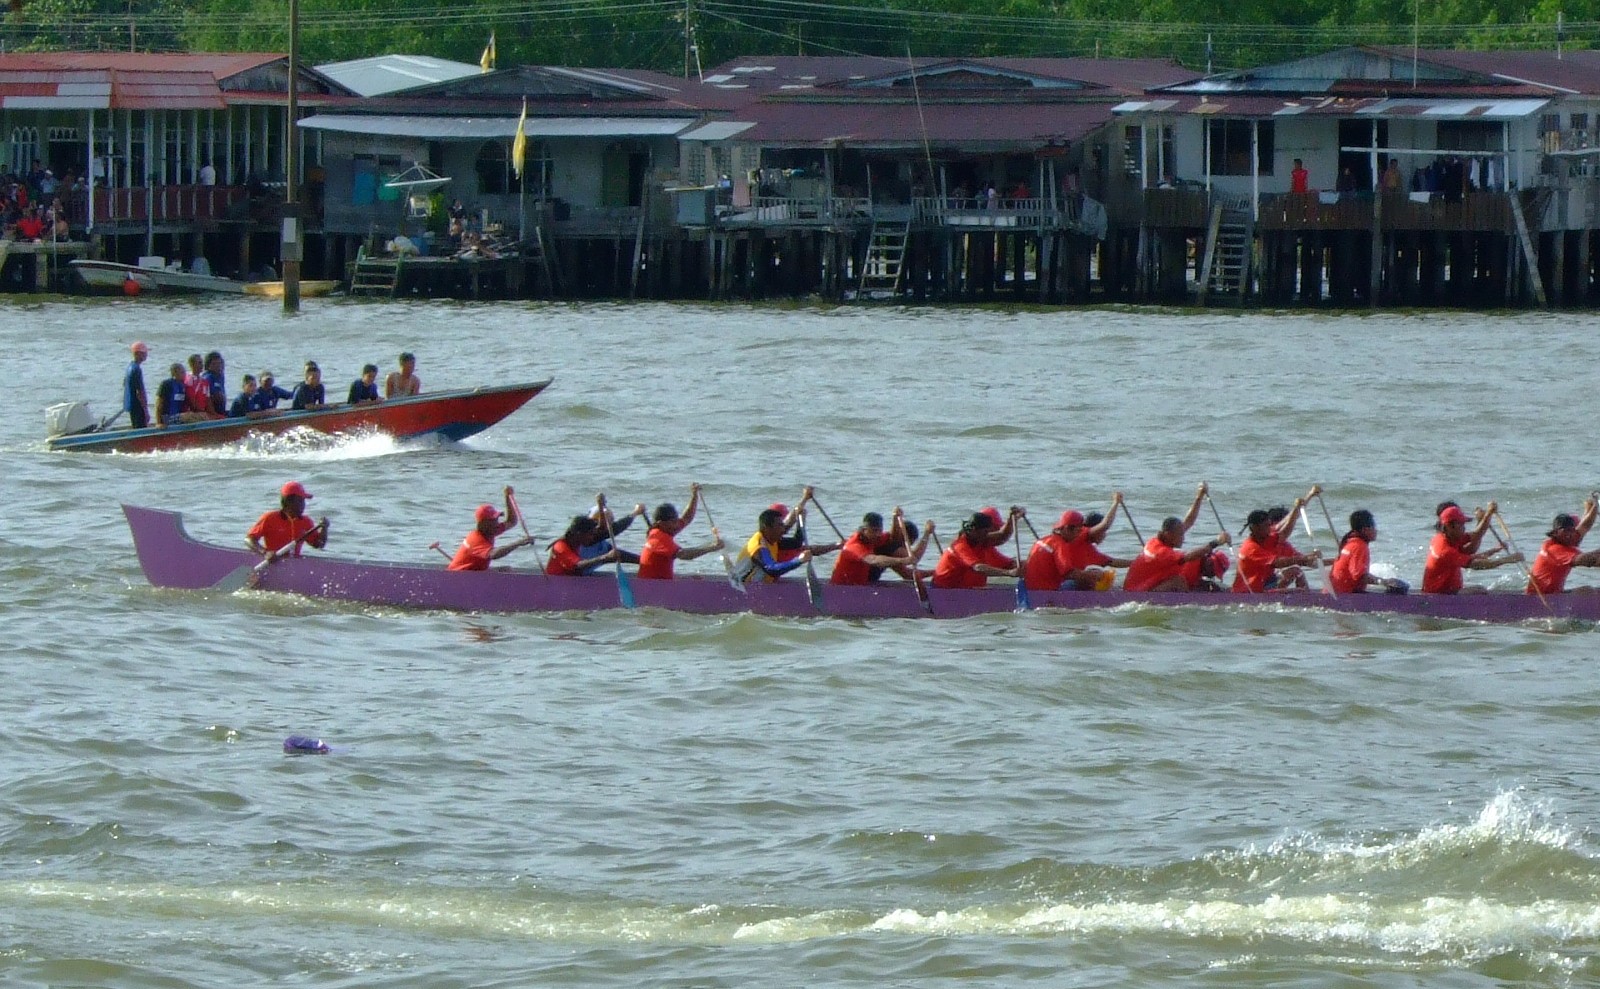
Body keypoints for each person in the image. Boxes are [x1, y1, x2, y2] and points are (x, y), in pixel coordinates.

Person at [1422, 503, 1520, 594]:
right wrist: (1508, 560)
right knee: (1481, 590)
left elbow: (1475, 537)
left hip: (1446, 591)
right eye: (1461, 524)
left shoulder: (1446, 538)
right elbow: (1477, 565)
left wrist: (1486, 516)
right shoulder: (1445, 550)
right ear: (1449, 527)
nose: (1464, 528)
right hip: (1440, 596)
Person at [1233, 496, 1320, 593]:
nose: (1270, 529)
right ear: (1254, 528)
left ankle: (1307, 596)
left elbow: (1285, 532)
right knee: (1298, 591)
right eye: (1266, 526)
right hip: (1250, 592)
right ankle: (1306, 598)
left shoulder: (1264, 538)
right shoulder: (1250, 548)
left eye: (1270, 525)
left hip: (1265, 583)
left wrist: (1296, 508)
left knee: (1296, 571)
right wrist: (1304, 558)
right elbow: (1277, 563)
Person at [1124, 514, 1231, 592]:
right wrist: (1217, 542)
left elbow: (1187, 523)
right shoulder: (1164, 553)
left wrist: (1199, 497)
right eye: (1181, 535)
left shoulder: (1154, 542)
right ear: (1168, 534)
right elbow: (1188, 556)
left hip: (1133, 586)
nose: (1183, 538)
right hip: (1136, 593)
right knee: (1179, 581)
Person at [637, 485, 725, 579]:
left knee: (696, 578)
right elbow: (683, 555)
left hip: (660, 582)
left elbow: (687, 518)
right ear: (661, 523)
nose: (676, 525)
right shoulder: (658, 538)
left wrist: (694, 495)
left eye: (676, 521)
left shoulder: (664, 529)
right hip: (653, 587)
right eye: (673, 522)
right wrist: (712, 548)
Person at [932, 509, 1022, 589]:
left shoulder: (979, 539)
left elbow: (1001, 536)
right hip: (944, 591)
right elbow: (978, 567)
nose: (987, 535)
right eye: (985, 532)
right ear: (974, 530)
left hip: (967, 590)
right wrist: (1008, 573)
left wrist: (1011, 519)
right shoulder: (960, 546)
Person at [447, 488, 533, 571]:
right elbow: (494, 554)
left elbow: (511, 521)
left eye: (496, 519)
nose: (497, 523)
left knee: (506, 570)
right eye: (493, 520)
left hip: (474, 573)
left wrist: (507, 497)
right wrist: (518, 543)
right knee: (505, 572)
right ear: (483, 524)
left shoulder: (490, 530)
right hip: (460, 577)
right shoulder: (475, 539)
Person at [1528, 499, 1600, 595]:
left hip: (1553, 594)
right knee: (1588, 591)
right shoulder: (1554, 549)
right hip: (1541, 598)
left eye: (1571, 530)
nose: (1570, 534)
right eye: (1565, 531)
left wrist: (1595, 507)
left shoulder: (1565, 539)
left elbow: (1585, 526)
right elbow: (1589, 560)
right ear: (1555, 532)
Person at [832, 511, 922, 586]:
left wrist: (895, 518)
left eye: (880, 530)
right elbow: (873, 560)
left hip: (860, 586)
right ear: (864, 530)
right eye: (874, 530)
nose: (878, 534)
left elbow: (892, 539)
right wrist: (902, 560)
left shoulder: (872, 539)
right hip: (842, 588)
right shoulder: (854, 546)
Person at [1329, 509, 1406, 593]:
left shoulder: (1349, 543)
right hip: (1346, 596)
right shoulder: (1359, 546)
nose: (1376, 530)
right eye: (1373, 526)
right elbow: (1360, 576)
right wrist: (1383, 582)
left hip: (1336, 593)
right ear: (1364, 530)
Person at [246, 481, 327, 557]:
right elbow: (249, 540)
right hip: (272, 564)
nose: (303, 505)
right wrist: (265, 553)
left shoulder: (306, 521)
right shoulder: (269, 518)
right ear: (288, 502)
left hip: (293, 566)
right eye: (301, 501)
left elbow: (318, 544)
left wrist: (324, 528)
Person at [735, 507, 815, 583]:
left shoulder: (772, 540)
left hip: (758, 587)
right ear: (766, 528)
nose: (783, 529)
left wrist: (801, 521)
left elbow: (796, 543)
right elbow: (771, 569)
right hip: (741, 587)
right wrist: (799, 560)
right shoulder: (759, 545)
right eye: (779, 525)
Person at [546, 516, 621, 576]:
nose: (592, 538)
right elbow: (578, 565)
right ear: (579, 533)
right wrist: (605, 557)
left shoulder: (578, 542)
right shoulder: (560, 547)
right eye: (590, 534)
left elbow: (602, 532)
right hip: (555, 585)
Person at [124, 341, 149, 429]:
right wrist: (145, 410)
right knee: (140, 427)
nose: (146, 355)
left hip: (131, 404)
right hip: (137, 406)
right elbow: (140, 391)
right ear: (138, 354)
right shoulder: (136, 369)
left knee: (135, 426)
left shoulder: (129, 367)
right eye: (144, 353)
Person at [182, 353, 212, 417]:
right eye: (199, 363)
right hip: (191, 413)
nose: (202, 365)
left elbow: (208, 400)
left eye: (202, 363)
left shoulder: (205, 381)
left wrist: (213, 414)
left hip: (202, 413)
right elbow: (190, 397)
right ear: (192, 365)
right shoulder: (187, 378)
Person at [202, 351, 227, 416]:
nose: (218, 366)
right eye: (214, 364)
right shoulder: (208, 378)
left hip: (221, 410)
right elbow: (206, 399)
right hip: (211, 412)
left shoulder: (221, 376)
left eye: (220, 363)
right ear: (208, 365)